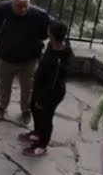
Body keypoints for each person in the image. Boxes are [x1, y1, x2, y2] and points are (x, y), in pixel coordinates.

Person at [0, 0, 51, 123]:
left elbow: (49, 29)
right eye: (19, 6)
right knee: (4, 84)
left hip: (29, 59)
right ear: (12, 3)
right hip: (5, 57)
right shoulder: (0, 9)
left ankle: (26, 109)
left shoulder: (39, 14)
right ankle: (2, 105)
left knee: (28, 86)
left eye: (26, 5)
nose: (23, 9)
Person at [18, 20, 72, 156]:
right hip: (40, 87)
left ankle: (41, 146)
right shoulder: (52, 45)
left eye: (49, 30)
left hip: (51, 93)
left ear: (52, 34)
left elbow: (53, 84)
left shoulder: (58, 60)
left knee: (46, 118)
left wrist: (42, 99)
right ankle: (37, 133)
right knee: (34, 107)